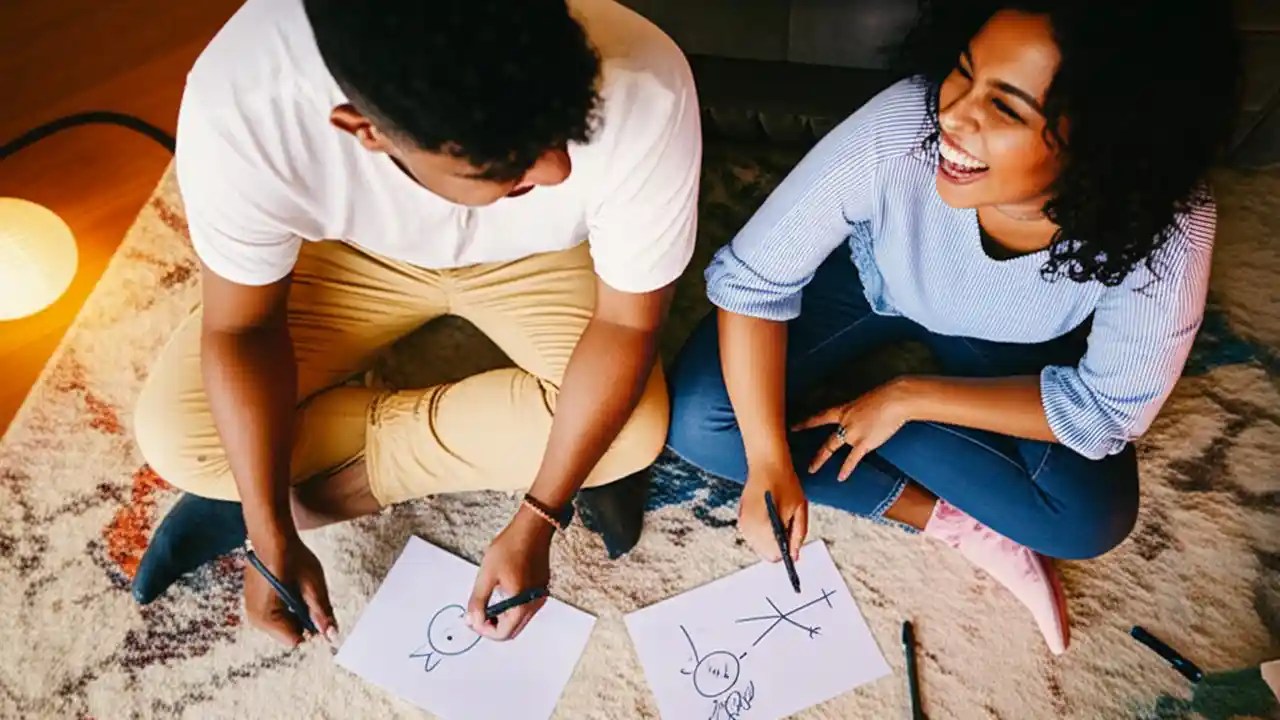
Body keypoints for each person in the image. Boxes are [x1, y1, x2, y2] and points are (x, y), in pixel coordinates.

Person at [664, 0, 1239, 655]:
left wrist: (909, 397)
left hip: (1019, 343)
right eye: (963, 71)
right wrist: (769, 460)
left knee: (1089, 520)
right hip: (876, 284)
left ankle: (861, 417)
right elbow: (752, 280)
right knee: (698, 420)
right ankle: (950, 520)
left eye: (1006, 109)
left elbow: (1106, 409)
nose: (953, 115)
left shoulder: (1166, 226)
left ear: (1104, 144)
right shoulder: (904, 123)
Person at [130, 0, 700, 647]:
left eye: (566, 126)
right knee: (180, 436)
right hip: (344, 253)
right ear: (365, 131)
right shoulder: (243, 103)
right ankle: (270, 495)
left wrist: (540, 513)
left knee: (634, 429)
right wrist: (268, 530)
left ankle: (295, 485)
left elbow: (625, 327)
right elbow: (242, 330)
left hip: (542, 258)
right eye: (506, 164)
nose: (557, 170)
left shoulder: (645, 79)